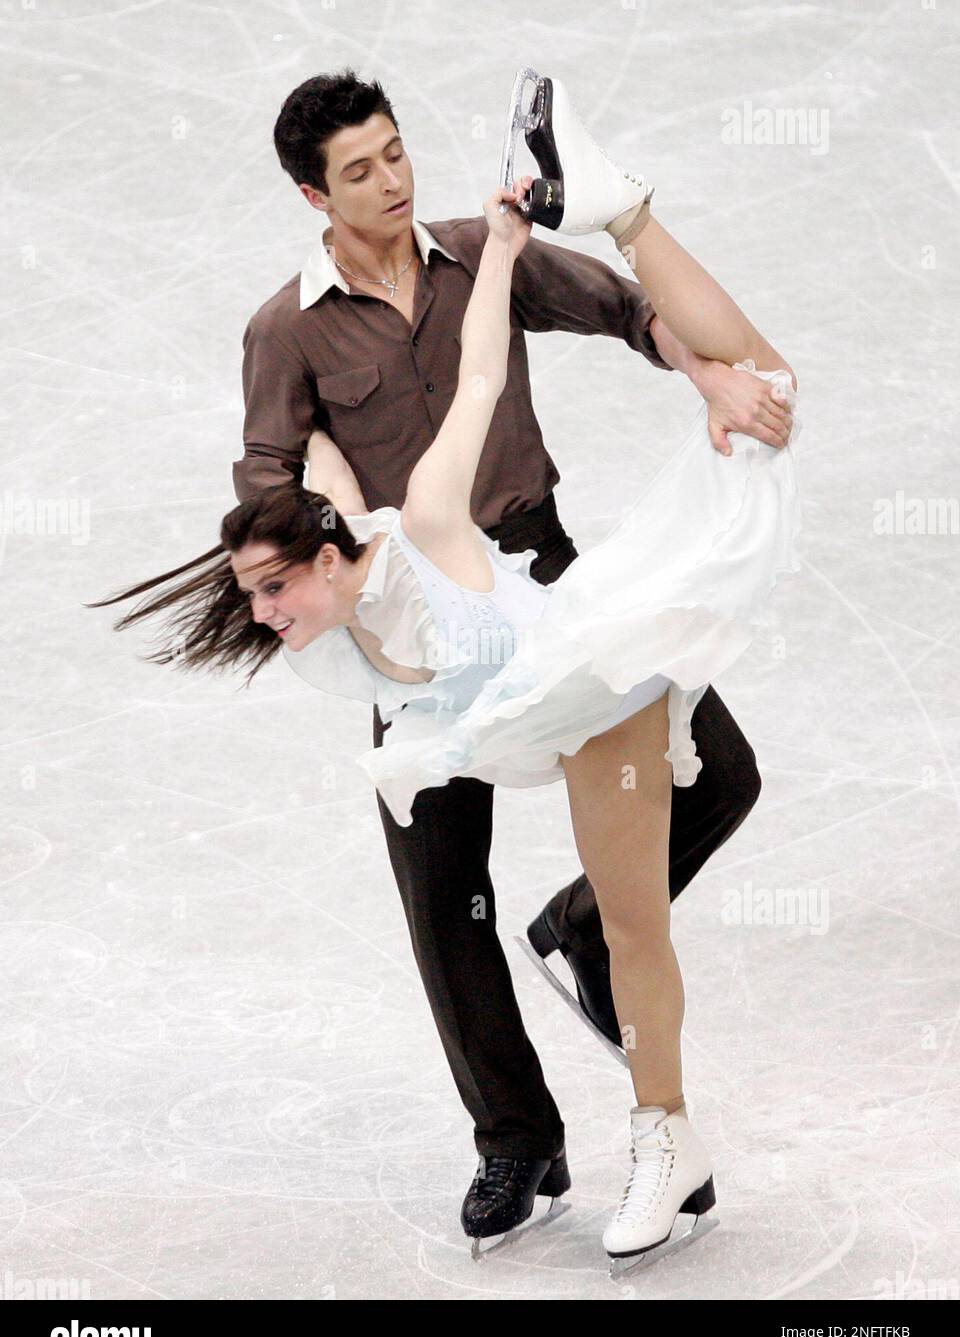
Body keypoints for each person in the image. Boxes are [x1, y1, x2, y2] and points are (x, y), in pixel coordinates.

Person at [88, 74, 799, 1263]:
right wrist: (343, 545)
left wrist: (708, 374)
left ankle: (588, 926)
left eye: (397, 152)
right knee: (439, 884)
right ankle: (515, 1134)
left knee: (719, 776)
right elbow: (269, 479)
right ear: (312, 194)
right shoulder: (287, 331)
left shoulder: (478, 257)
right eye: (359, 169)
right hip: (413, 612)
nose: (391, 179)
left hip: (540, 581)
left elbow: (629, 314)